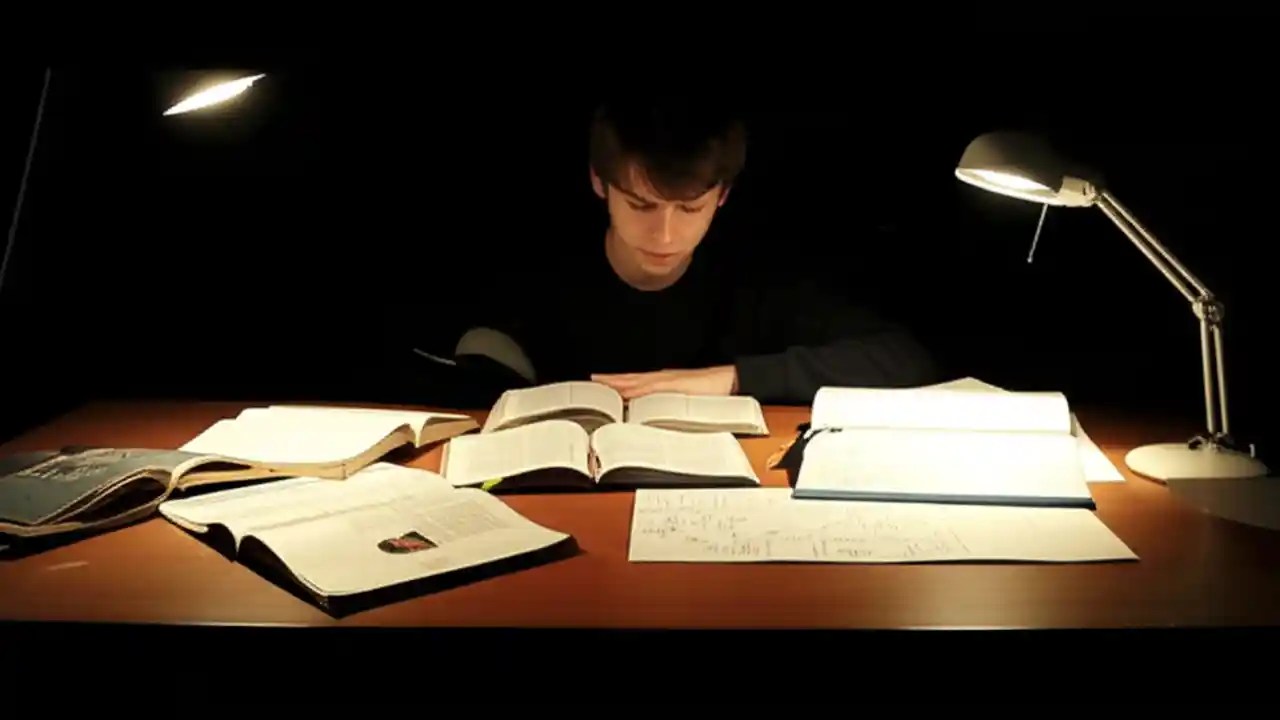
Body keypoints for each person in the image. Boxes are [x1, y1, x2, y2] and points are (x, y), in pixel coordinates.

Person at [449, 98, 939, 406]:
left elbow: (903, 359)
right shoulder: (535, 276)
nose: (664, 236)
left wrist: (730, 379)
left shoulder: (755, 278)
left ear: (721, 195)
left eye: (689, 208)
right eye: (641, 204)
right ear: (599, 183)